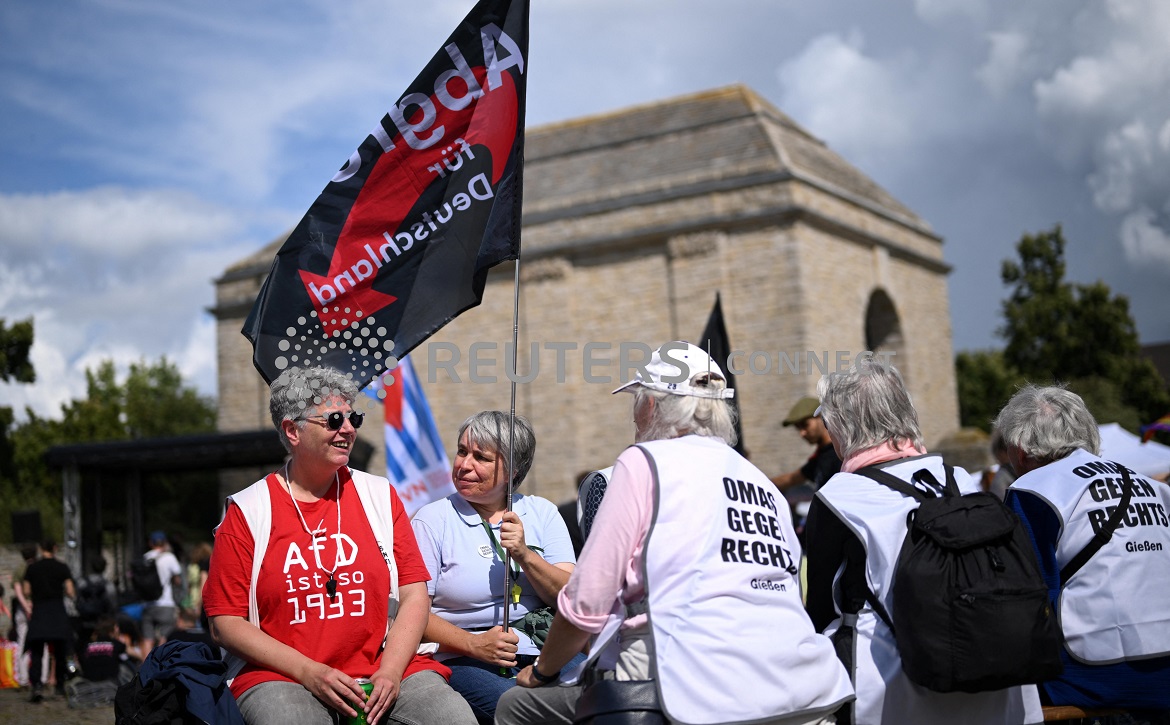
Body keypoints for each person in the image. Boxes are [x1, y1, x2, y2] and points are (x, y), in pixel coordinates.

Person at [497, 341, 853, 725]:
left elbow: (587, 602)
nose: (634, 417)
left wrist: (543, 670)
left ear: (652, 404)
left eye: (637, 401)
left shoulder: (644, 463)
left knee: (514, 706)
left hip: (689, 681)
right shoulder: (759, 480)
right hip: (801, 683)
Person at [202, 365, 475, 725]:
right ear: (292, 430)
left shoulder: (379, 495)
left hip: (384, 666)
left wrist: (391, 672)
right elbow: (225, 622)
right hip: (282, 676)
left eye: (353, 417)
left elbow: (414, 594)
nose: (348, 429)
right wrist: (309, 672)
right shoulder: (249, 511)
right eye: (333, 420)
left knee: (454, 719)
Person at [803, 358, 1041, 724]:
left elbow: (821, 610)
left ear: (842, 425)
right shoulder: (958, 478)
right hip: (992, 686)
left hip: (892, 697)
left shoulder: (838, 497)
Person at [995, 384, 1170, 715]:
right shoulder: (1152, 486)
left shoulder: (1031, 491)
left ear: (1019, 451)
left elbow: (1026, 600)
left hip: (1093, 676)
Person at [411, 411, 578, 724]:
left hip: (545, 646)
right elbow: (413, 612)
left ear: (513, 470)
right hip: (463, 656)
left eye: (481, 457)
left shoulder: (541, 512)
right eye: (462, 451)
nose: (464, 465)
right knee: (532, 713)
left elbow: (570, 598)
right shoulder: (432, 520)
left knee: (595, 697)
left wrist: (526, 556)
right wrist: (474, 645)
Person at [21, 538, 75, 703]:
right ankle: (59, 685)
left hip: (39, 611)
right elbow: (71, 591)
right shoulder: (62, 567)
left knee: (37, 651)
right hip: (57, 611)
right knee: (60, 651)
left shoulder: (32, 568)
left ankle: (36, 685)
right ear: (55, 548)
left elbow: (26, 591)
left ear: (40, 548)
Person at [771, 395, 842, 491]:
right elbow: (791, 479)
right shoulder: (820, 457)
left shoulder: (842, 452)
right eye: (798, 428)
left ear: (822, 416)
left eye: (805, 425)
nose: (802, 433)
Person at [141, 530, 183, 653]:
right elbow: (178, 581)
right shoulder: (169, 557)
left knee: (147, 639)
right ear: (165, 542)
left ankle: (144, 669)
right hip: (166, 603)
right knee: (165, 637)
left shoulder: (145, 557)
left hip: (147, 604)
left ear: (150, 543)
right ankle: (159, 665)